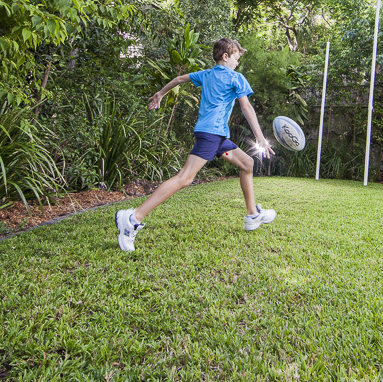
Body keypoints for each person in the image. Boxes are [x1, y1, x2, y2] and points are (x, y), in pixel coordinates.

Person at [114, 38, 276, 252]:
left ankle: (252, 215)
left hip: (214, 135)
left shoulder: (206, 74)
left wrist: (161, 93)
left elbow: (180, 78)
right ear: (226, 56)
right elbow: (246, 108)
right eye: (236, 57)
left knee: (247, 163)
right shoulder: (236, 78)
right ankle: (133, 218)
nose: (238, 62)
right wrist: (261, 137)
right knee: (185, 178)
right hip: (212, 134)